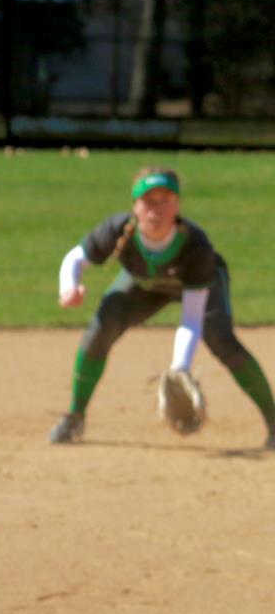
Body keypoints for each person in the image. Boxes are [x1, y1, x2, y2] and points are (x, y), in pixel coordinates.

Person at [50, 167, 275, 450]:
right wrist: (68, 288)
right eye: (148, 201)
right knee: (102, 327)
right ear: (135, 206)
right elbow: (76, 258)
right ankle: (75, 416)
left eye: (165, 200)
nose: (156, 209)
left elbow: (191, 318)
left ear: (177, 205)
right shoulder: (118, 230)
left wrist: (179, 368)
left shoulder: (195, 246)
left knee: (221, 339)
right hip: (145, 285)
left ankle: (274, 422)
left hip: (200, 285)